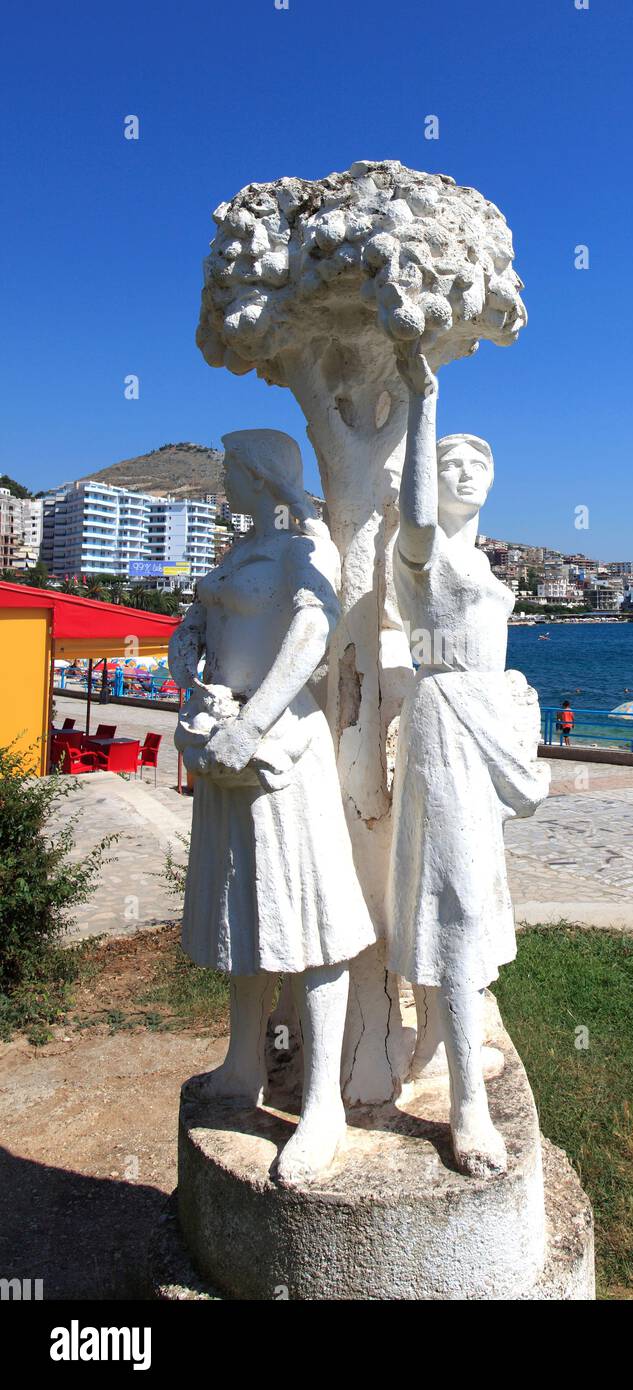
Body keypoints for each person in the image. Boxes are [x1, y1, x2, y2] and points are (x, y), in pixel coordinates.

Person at [169, 429, 376, 1185]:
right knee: (245, 912)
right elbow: (202, 625)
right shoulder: (233, 555)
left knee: (310, 916)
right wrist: (188, 661)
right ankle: (243, 1062)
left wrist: (254, 721)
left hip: (278, 747)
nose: (223, 479)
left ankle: (323, 1103)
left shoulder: (303, 547)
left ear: (260, 477)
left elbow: (314, 631)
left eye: (231, 469)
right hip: (223, 743)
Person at [387, 346, 549, 1179]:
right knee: (450, 894)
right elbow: (416, 508)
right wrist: (426, 402)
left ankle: (435, 1046)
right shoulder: (427, 554)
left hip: (485, 720)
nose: (466, 468)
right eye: (453, 460)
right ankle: (465, 1106)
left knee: (475, 888)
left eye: (479, 461)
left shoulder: (482, 561)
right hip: (446, 717)